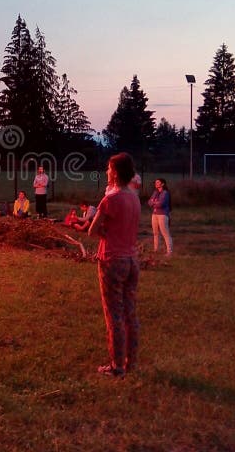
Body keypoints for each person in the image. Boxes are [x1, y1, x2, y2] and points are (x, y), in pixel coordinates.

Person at [88, 152, 141, 378]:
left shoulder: (110, 199)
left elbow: (92, 230)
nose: (106, 171)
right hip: (131, 260)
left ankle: (117, 366)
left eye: (109, 168)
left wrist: (105, 233)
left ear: (116, 173)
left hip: (112, 260)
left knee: (114, 315)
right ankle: (131, 362)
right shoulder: (134, 197)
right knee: (130, 313)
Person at [147, 178, 173, 259]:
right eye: (155, 182)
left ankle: (169, 251)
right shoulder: (155, 192)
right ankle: (156, 249)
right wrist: (154, 202)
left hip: (162, 214)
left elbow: (161, 204)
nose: (156, 183)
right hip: (154, 214)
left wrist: (154, 202)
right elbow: (149, 202)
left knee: (165, 233)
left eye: (158, 182)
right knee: (155, 233)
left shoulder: (165, 193)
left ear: (162, 184)